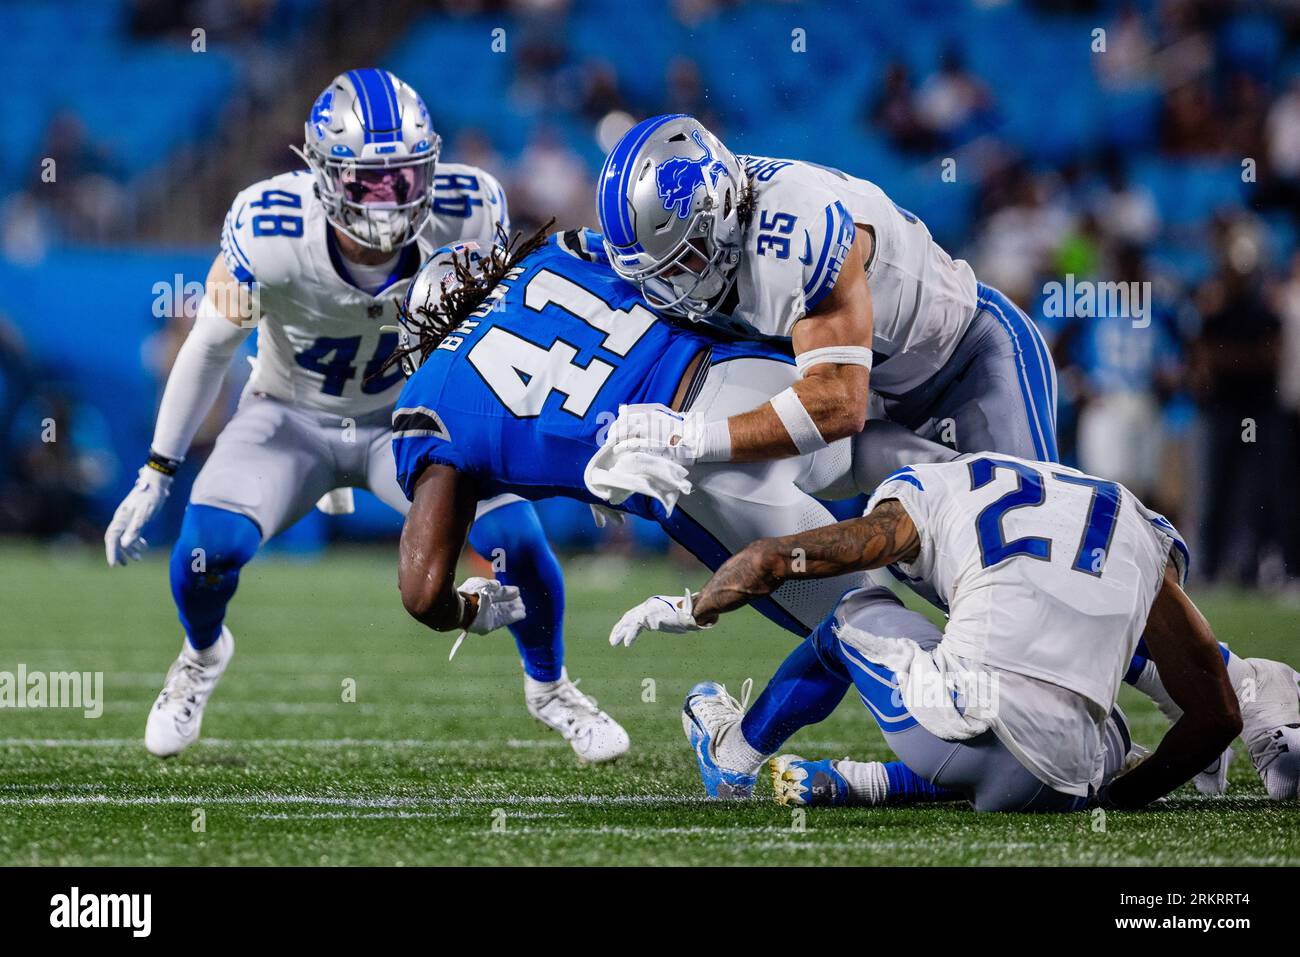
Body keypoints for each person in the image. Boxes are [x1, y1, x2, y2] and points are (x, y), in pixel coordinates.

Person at [102, 69, 625, 763]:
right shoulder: (271, 228)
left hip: (409, 424)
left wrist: (575, 452)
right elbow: (208, 348)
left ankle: (551, 686)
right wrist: (158, 469)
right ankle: (202, 655)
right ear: (323, 176)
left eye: (405, 179)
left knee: (521, 546)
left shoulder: (470, 209)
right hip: (288, 412)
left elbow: (523, 341)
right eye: (369, 182)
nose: (390, 202)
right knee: (204, 551)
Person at [610, 455, 1300, 808]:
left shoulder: (925, 499)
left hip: (975, 740)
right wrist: (1124, 798)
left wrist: (696, 602)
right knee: (1092, 714)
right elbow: (1216, 714)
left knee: (850, 618)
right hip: (1071, 782)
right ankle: (869, 784)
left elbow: (770, 560)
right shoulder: (1126, 522)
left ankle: (731, 758)